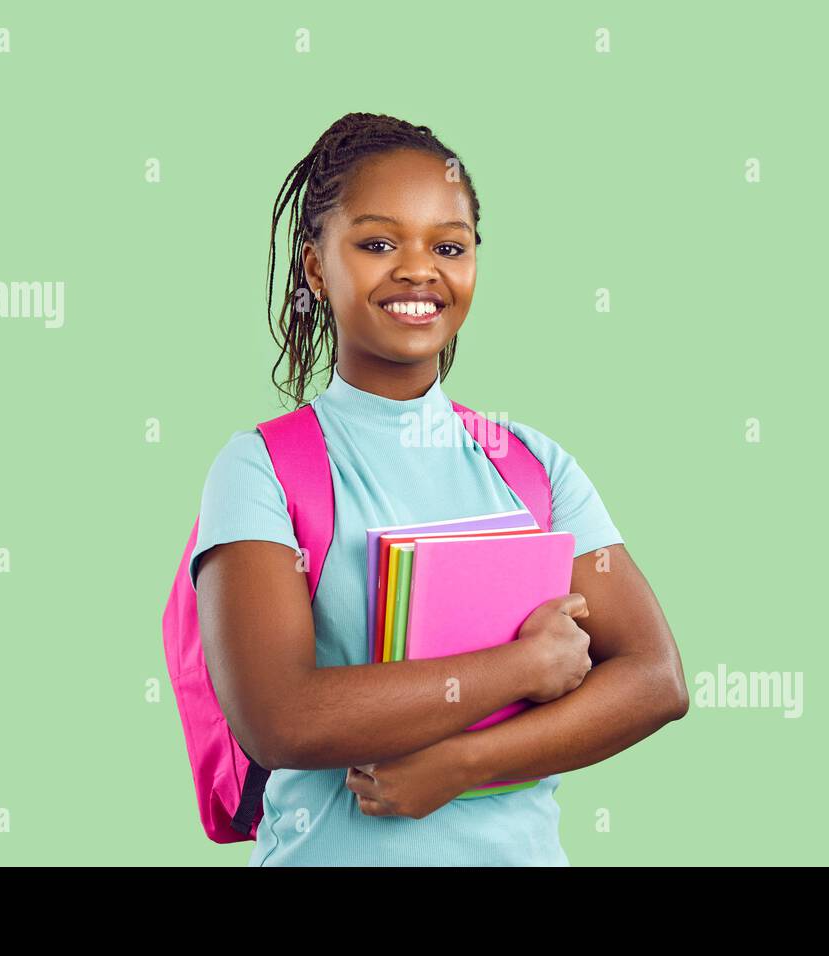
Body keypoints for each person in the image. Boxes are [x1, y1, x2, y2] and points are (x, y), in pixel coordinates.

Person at [191, 112, 688, 866]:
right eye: (378, 243)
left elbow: (655, 679)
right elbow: (279, 717)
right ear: (316, 268)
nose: (419, 270)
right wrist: (525, 667)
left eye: (448, 247)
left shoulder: (533, 464)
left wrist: (461, 766)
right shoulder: (262, 468)